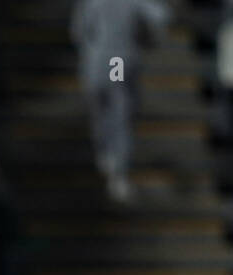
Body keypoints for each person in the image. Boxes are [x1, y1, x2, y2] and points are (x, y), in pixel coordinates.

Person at [70, 0, 170, 203]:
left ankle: (107, 156)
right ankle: (117, 171)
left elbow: (78, 32)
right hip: (116, 61)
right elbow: (162, 16)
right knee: (119, 114)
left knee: (103, 112)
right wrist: (150, 39)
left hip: (94, 62)